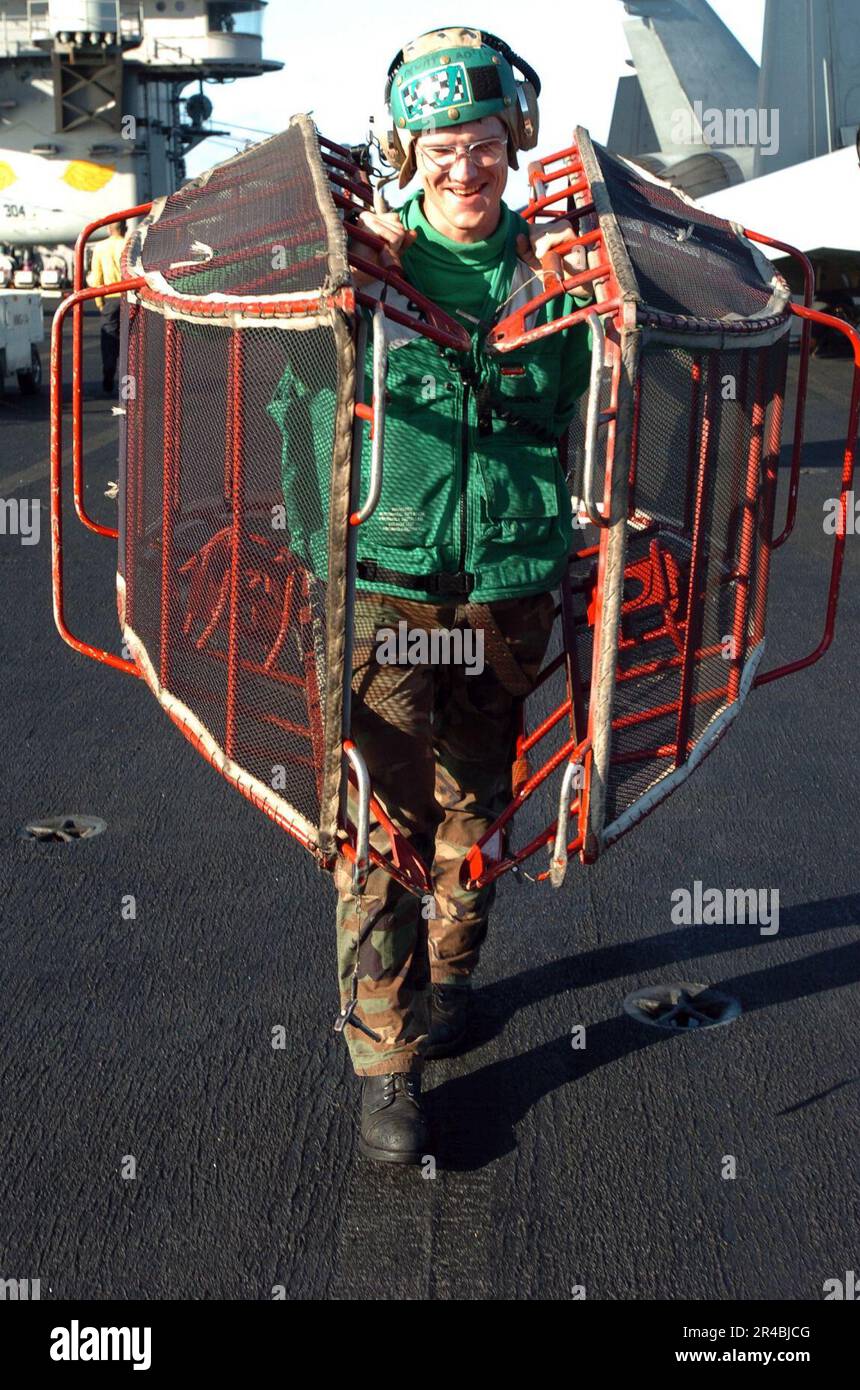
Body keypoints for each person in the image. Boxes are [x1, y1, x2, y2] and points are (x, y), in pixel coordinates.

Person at [270, 26, 594, 1164]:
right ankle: (386, 1063)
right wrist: (318, 555)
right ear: (409, 150)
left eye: (487, 142)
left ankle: (452, 976)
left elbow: (570, 420)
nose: (468, 167)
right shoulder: (353, 270)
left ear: (517, 143)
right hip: (383, 600)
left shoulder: (559, 282)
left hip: (503, 601)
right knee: (372, 832)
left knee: (475, 811)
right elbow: (297, 412)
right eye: (444, 145)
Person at [87, 220, 127, 392]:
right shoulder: (130, 244)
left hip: (110, 298)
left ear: (109, 229)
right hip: (129, 296)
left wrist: (100, 302)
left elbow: (97, 277)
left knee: (109, 338)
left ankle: (108, 371)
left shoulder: (100, 248)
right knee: (129, 338)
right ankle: (128, 380)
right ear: (124, 228)